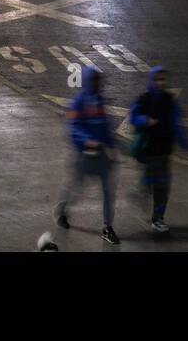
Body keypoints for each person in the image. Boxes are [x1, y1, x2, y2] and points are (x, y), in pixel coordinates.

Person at [54, 65, 120, 245]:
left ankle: (107, 227)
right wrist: (88, 140)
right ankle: (62, 210)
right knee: (77, 189)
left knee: (108, 192)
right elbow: (73, 127)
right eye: (96, 80)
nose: (100, 83)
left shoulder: (99, 101)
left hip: (101, 156)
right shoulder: (79, 102)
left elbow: (106, 126)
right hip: (83, 156)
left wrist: (112, 146)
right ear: (89, 81)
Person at [129, 67, 188, 234]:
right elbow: (134, 117)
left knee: (162, 187)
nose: (161, 82)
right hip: (149, 149)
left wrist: (184, 140)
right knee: (154, 182)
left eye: (163, 79)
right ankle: (145, 198)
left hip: (164, 150)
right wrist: (146, 120)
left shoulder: (169, 99)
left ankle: (158, 218)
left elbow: (176, 121)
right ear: (152, 81)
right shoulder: (144, 99)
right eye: (157, 79)